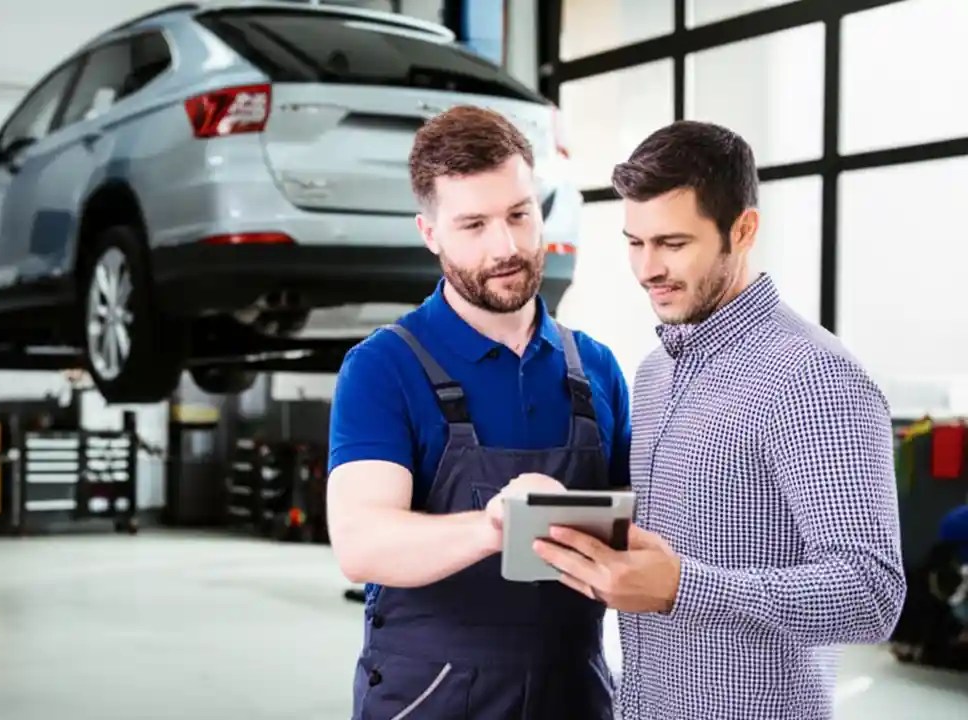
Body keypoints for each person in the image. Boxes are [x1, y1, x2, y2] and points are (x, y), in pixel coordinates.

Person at [532, 120, 907, 719]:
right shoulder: (655, 372)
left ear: (743, 229)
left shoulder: (813, 376)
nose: (647, 268)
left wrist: (682, 588)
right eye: (635, 242)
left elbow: (871, 592)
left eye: (673, 244)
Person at [326, 105, 632, 719]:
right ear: (430, 232)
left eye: (520, 215)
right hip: (431, 696)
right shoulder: (383, 368)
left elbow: (634, 537)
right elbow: (361, 543)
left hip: (575, 693)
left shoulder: (596, 368)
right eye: (474, 225)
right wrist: (495, 526)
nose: (507, 246)